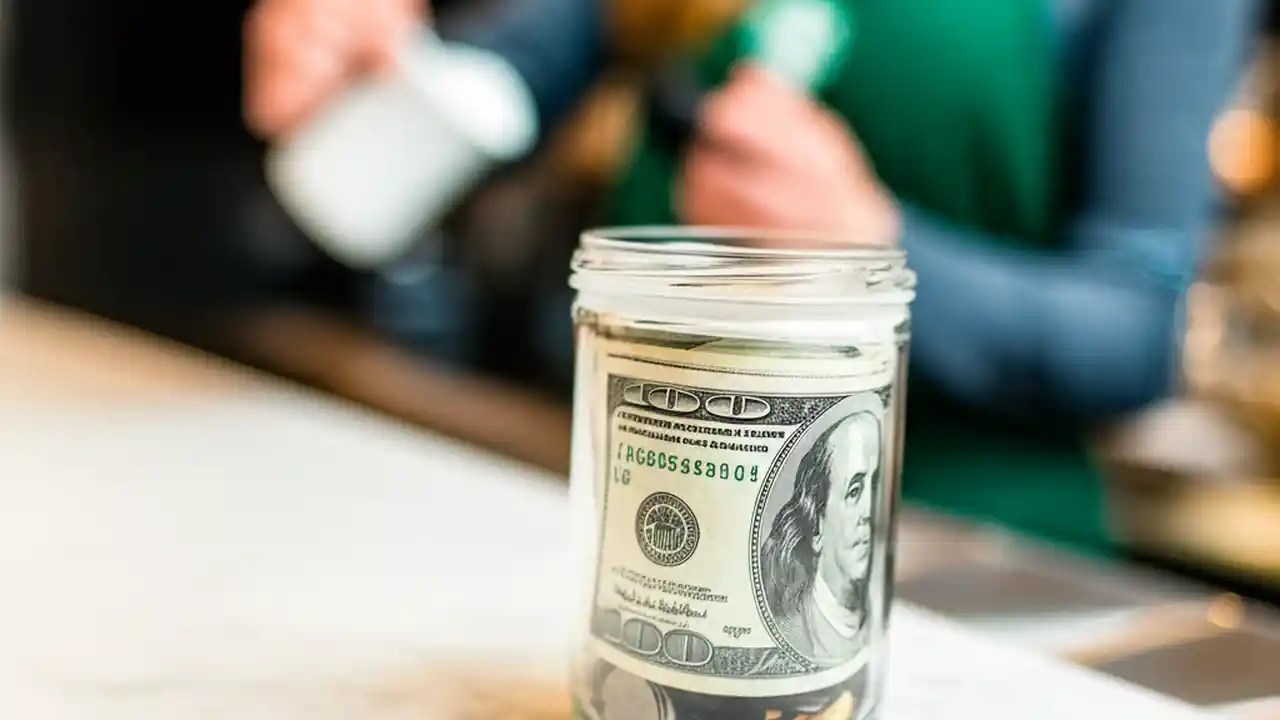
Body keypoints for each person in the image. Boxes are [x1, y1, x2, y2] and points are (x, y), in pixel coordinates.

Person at [244, 0, 1260, 553]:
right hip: (637, 528)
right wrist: (372, 60)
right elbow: (503, 74)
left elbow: (1134, 333)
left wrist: (868, 245)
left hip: (958, 564)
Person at [761, 412, 878, 667]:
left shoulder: (868, 613)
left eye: (876, 487)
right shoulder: (794, 628)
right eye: (854, 491)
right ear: (817, 526)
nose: (869, 512)